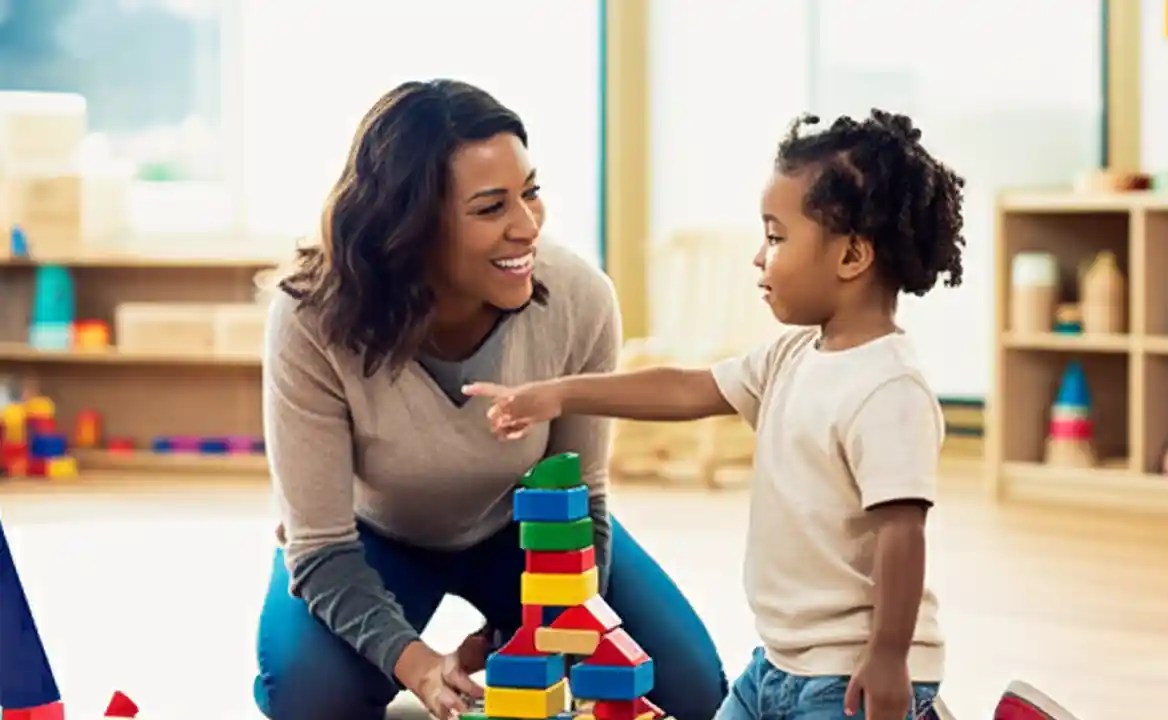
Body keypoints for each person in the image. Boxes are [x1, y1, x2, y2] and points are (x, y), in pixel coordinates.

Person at [463, 110, 965, 720]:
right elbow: (685, 390)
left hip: (852, 674)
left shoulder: (889, 389)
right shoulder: (791, 354)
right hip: (778, 664)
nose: (759, 258)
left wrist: (888, 660)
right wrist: (560, 395)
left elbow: (902, 534)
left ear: (852, 256)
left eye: (777, 238)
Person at [252, 79, 727, 720]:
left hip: (523, 536)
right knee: (309, 698)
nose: (526, 227)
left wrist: (544, 638)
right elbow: (318, 545)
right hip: (375, 542)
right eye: (490, 208)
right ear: (411, 226)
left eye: (531, 192)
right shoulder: (311, 316)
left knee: (690, 691)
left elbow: (582, 500)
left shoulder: (580, 297)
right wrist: (418, 665)